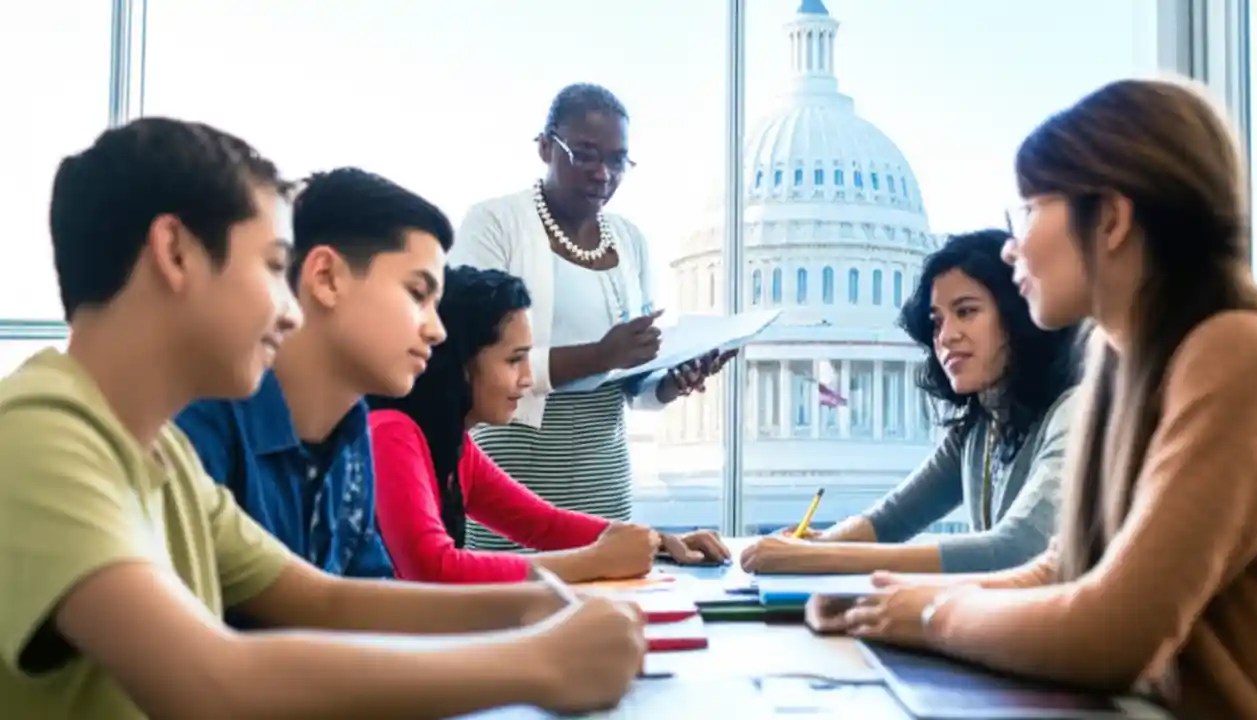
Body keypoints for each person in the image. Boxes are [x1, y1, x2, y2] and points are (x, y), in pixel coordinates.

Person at [0, 117, 645, 719]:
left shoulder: (159, 455)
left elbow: (324, 598)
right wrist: (539, 662)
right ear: (175, 252)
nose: (290, 311)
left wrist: (536, 601)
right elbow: (211, 679)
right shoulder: (40, 434)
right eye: (276, 268)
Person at [808, 78, 1257, 719]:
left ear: (1110, 218)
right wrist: (886, 595)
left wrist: (930, 613)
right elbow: (1062, 569)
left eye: (1028, 211)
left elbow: (1115, 631)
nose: (1012, 246)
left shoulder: (1236, 348)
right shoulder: (1119, 363)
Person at [450, 82, 731, 554]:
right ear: (544, 146)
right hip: (516, 461)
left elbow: (629, 378)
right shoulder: (495, 222)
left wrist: (668, 381)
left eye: (617, 160)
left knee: (608, 587)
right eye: (584, 154)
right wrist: (602, 354)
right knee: (515, 600)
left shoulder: (629, 239)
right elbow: (476, 358)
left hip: (605, 464)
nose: (603, 173)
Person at [741, 229, 1079, 575]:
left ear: (1017, 315)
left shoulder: (1074, 413)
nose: (946, 336)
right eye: (937, 322)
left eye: (966, 311)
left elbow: (1016, 550)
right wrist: (817, 545)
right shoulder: (980, 425)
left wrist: (818, 558)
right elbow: (892, 518)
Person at [368, 265, 731, 584]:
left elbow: (543, 524)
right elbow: (433, 569)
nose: (528, 380)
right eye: (514, 360)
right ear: (459, 363)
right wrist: (594, 561)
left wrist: (658, 541)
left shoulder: (452, 444)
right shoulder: (391, 432)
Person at [175, 167, 450, 580]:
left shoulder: (351, 430)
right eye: (417, 294)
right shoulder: (199, 422)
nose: (437, 329)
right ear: (326, 278)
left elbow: (370, 602)